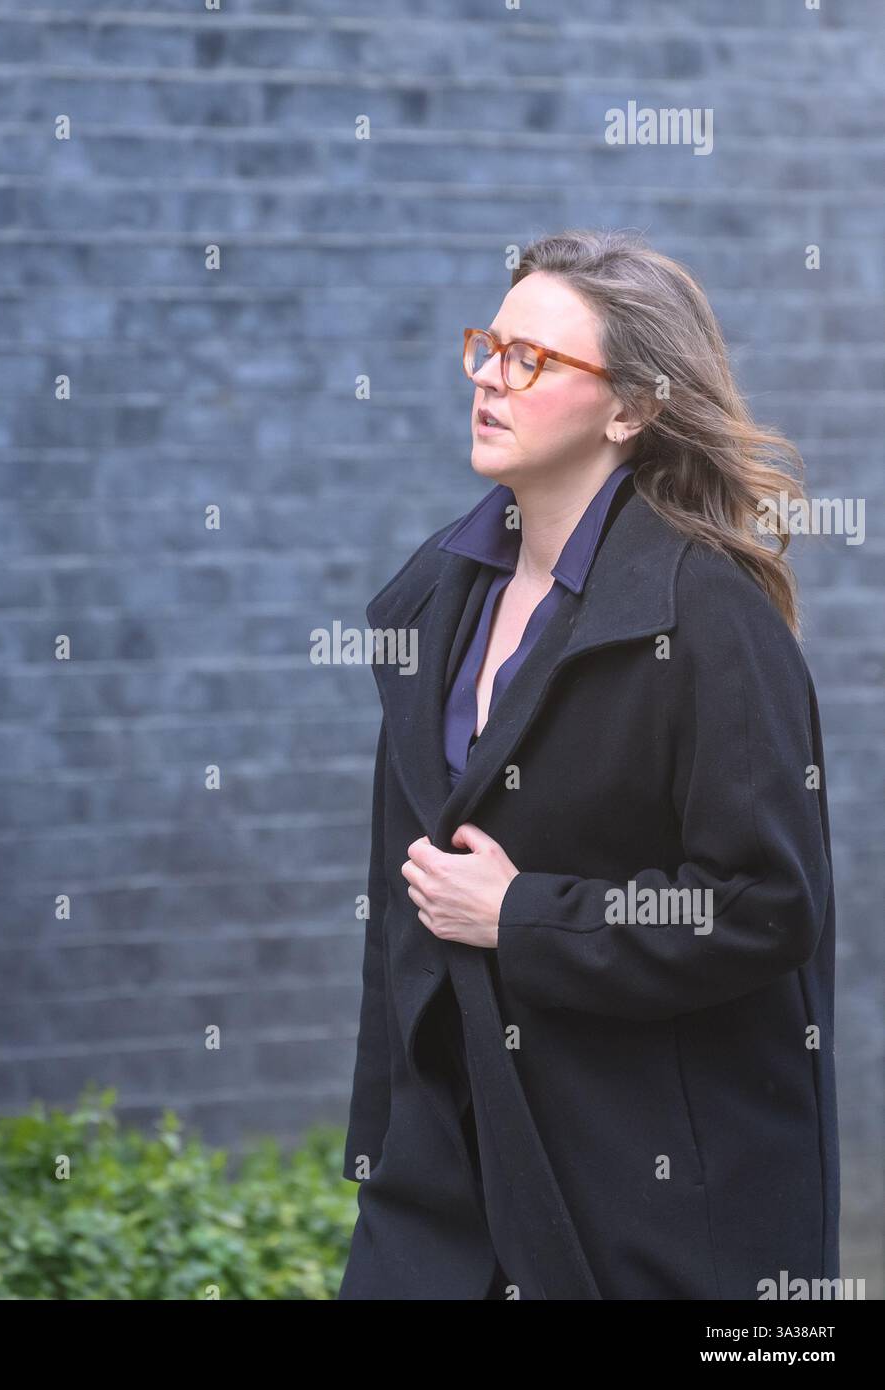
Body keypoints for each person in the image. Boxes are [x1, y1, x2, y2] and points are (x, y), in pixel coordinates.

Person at [337, 229, 840, 1300]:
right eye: (488, 345)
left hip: (637, 1200)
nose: (487, 378)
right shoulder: (436, 591)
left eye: (533, 361)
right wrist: (383, 1142)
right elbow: (405, 902)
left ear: (631, 409)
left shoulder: (709, 616)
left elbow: (763, 904)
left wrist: (526, 915)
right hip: (442, 1183)